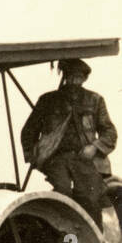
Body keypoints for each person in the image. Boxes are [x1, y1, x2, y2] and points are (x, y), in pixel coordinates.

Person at [21, 57, 117, 229]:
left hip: (85, 159)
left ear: (84, 78)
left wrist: (94, 147)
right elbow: (28, 132)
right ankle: (61, 241)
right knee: (62, 195)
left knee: (90, 199)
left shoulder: (95, 100)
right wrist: (36, 157)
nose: (74, 81)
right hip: (56, 158)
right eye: (71, 76)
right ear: (64, 76)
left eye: (78, 77)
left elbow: (110, 133)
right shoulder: (47, 100)